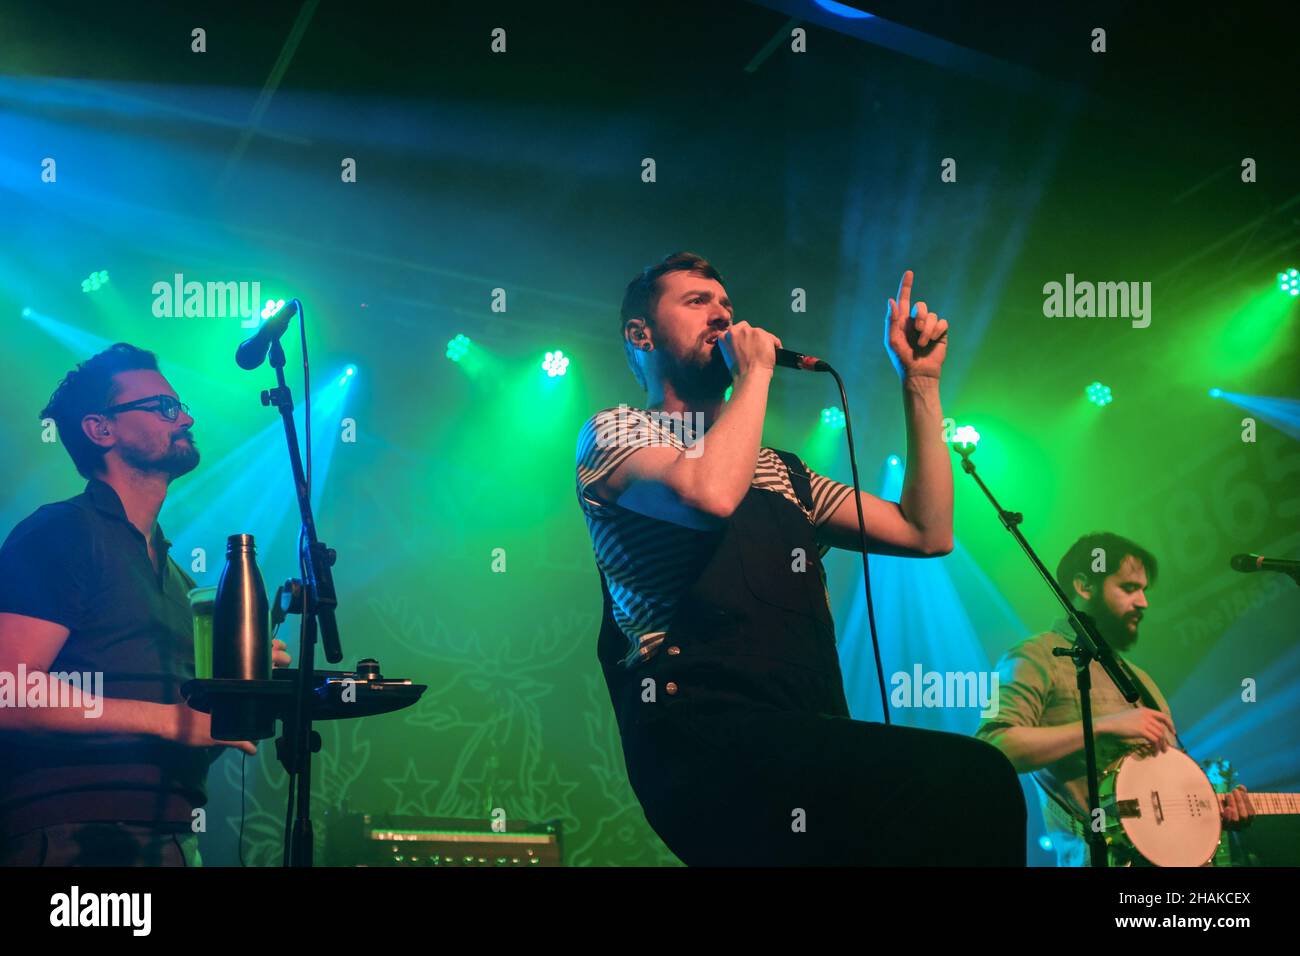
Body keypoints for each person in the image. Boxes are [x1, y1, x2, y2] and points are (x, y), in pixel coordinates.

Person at [575, 251, 1025, 865]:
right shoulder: (617, 431)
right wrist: (755, 374)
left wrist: (919, 384)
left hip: (803, 722)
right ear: (641, 334)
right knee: (975, 777)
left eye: (726, 304)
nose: (722, 316)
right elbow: (709, 494)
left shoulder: (784, 472)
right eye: (697, 302)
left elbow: (926, 531)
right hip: (701, 731)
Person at [0, 343, 289, 866]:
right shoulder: (63, 531)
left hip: (172, 835)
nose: (186, 418)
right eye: (164, 408)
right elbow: (8, 689)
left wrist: (238, 691)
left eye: (180, 407)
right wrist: (168, 720)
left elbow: (190, 733)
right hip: (72, 834)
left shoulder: (180, 580)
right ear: (100, 429)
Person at [975, 532, 1254, 865]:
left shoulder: (1140, 679)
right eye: (1129, 588)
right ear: (1084, 586)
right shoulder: (1031, 656)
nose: (1143, 602)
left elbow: (1168, 791)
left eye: (1144, 590)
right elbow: (992, 747)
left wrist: (1212, 811)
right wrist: (1105, 725)